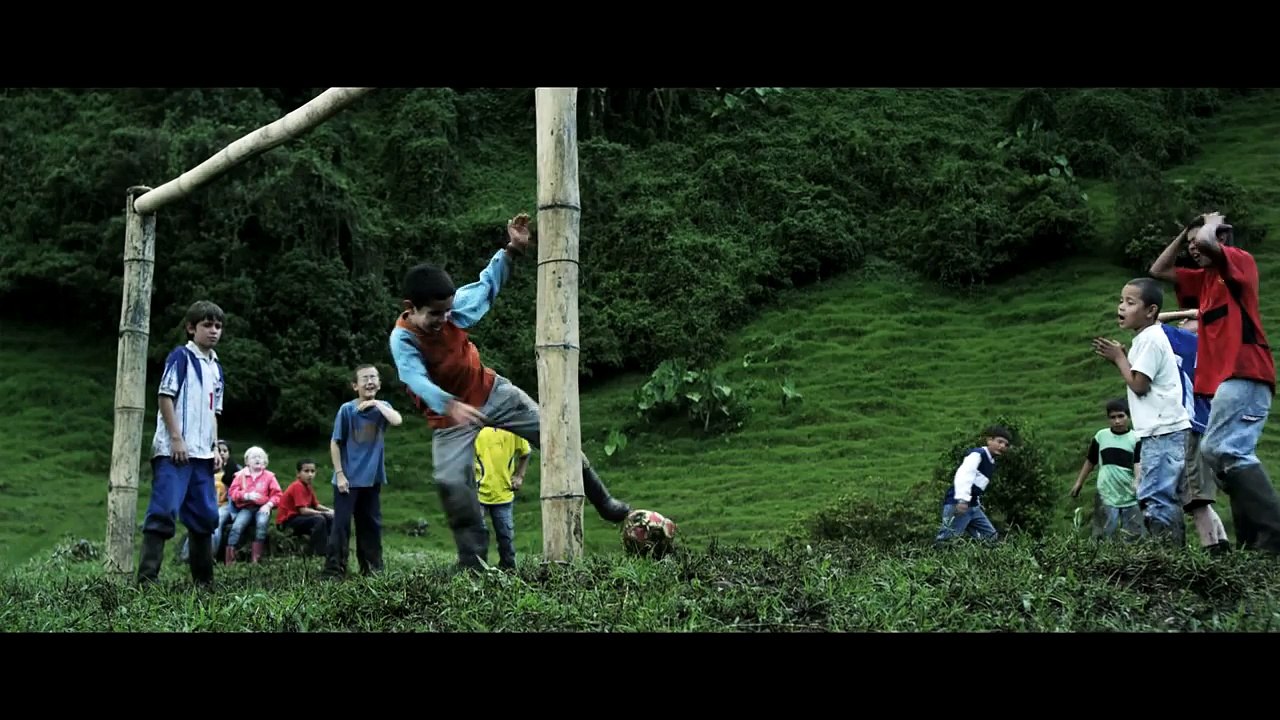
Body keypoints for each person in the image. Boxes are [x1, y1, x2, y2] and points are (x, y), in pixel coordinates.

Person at [389, 213, 632, 570]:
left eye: (447, 311)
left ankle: (603, 500)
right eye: (435, 315)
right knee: (451, 482)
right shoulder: (403, 339)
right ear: (410, 309)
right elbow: (414, 379)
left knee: (556, 434)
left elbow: (486, 285)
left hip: (492, 392)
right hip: (450, 417)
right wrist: (449, 404)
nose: (444, 320)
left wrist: (512, 250)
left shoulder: (452, 311)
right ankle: (472, 560)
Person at [1150, 212, 1280, 552]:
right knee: (1222, 455)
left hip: (1245, 371)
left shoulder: (1239, 262)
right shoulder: (1203, 281)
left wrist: (1209, 222)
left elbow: (1210, 242)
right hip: (1225, 382)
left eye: (1198, 241)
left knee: (1224, 449)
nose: (1193, 248)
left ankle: (1273, 532)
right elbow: (1158, 270)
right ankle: (1253, 543)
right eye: (1189, 244)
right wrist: (1185, 232)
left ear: (1221, 238)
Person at [1092, 277, 1190, 545]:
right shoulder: (1147, 338)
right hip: (1164, 431)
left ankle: (1169, 555)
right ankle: (1173, 553)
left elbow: (1139, 385)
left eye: (1130, 302)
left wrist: (1119, 358)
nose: (1121, 307)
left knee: (1156, 497)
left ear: (1150, 310)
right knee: (1161, 496)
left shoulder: (1149, 340)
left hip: (1162, 432)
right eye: (1121, 301)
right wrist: (1123, 359)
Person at [136, 300, 226, 586]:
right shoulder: (180, 357)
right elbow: (165, 396)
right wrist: (176, 438)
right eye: (207, 325)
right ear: (191, 328)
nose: (213, 331)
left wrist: (215, 447)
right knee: (163, 510)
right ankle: (147, 581)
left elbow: (213, 412)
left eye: (218, 326)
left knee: (205, 517)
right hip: (174, 452)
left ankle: (204, 584)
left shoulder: (216, 368)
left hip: (202, 455)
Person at [1158, 308, 1231, 554]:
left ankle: (1213, 553)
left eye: (1187, 320)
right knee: (1201, 497)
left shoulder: (1188, 342)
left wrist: (1193, 312)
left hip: (1189, 424)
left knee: (1196, 500)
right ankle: (1223, 548)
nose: (1182, 321)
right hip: (1208, 425)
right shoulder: (1217, 348)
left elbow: (1150, 319)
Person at [323, 364, 402, 578]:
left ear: (379, 383)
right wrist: (340, 474)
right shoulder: (346, 410)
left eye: (373, 377)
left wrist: (375, 403)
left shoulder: (382, 408)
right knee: (341, 527)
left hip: (372, 479)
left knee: (370, 526)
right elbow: (335, 442)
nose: (370, 382)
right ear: (355, 386)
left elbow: (397, 420)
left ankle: (372, 570)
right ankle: (334, 572)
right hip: (347, 480)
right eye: (365, 378)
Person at [1071, 398, 1144, 541]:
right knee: (1104, 534)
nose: (1117, 421)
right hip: (1106, 492)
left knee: (1133, 536)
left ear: (1128, 417)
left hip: (1129, 494)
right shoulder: (1101, 437)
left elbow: (1138, 463)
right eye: (1113, 417)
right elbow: (1090, 461)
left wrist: (1137, 482)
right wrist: (1079, 483)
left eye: (1121, 416)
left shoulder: (1135, 438)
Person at [934, 425, 1010, 546]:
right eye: (999, 442)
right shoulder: (977, 454)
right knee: (947, 540)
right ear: (989, 440)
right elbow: (964, 475)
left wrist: (977, 502)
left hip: (973, 506)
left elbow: (976, 485)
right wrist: (962, 500)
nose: (1002, 446)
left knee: (990, 537)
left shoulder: (991, 462)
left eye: (1006, 444)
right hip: (958, 503)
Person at [473, 427, 531, 569]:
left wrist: (519, 476)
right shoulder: (475, 429)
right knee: (477, 535)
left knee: (506, 537)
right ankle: (476, 571)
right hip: (477, 493)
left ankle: (508, 571)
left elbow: (526, 452)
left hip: (503, 493)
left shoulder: (511, 428)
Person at [224, 445, 283, 564]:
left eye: (260, 457)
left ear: (265, 461)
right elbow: (232, 493)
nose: (257, 459)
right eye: (254, 457)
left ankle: (256, 558)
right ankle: (230, 559)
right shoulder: (240, 475)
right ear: (247, 461)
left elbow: (278, 495)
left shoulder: (269, 476)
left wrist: (269, 505)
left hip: (262, 507)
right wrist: (246, 496)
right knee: (237, 527)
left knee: (261, 524)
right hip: (246, 508)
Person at [276, 458, 335, 557]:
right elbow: (303, 510)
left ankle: (331, 546)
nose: (310, 474)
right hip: (287, 521)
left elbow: (316, 505)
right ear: (298, 473)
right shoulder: (297, 486)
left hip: (299, 518)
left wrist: (330, 511)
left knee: (330, 518)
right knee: (319, 520)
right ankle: (316, 551)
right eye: (306, 471)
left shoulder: (308, 486)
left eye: (312, 471)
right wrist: (323, 513)